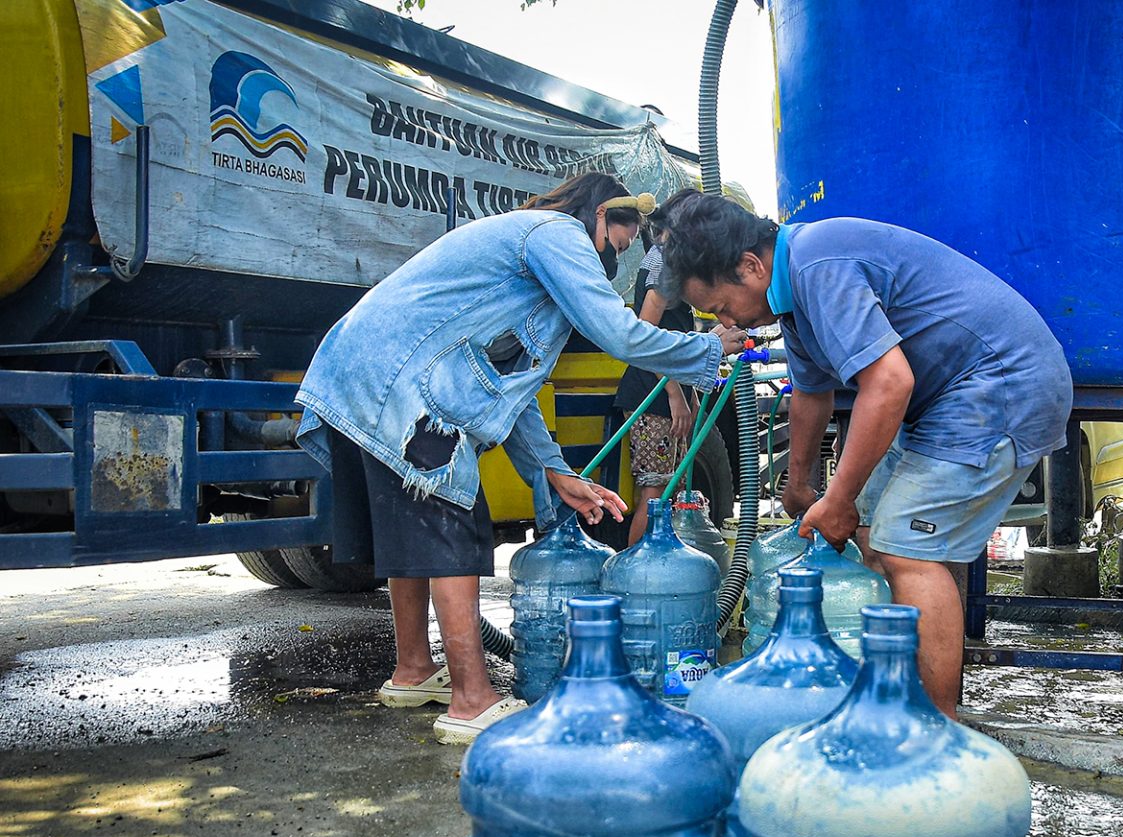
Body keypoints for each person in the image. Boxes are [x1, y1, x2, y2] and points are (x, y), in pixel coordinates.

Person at [295, 172, 743, 744]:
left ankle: (413, 671)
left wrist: (554, 472)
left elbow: (514, 387)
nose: (616, 257)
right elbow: (620, 334)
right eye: (618, 240)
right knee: (450, 528)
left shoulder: (524, 258)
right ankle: (471, 701)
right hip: (404, 384)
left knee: (409, 530)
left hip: (358, 373)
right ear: (602, 213)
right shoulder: (555, 233)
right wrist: (705, 348)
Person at [662, 197, 1072, 717]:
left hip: (999, 385)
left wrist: (839, 497)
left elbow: (889, 381)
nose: (725, 320)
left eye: (721, 306)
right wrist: (800, 482)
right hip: (945, 398)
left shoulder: (818, 263)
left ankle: (932, 731)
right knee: (870, 540)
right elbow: (812, 392)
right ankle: (884, 703)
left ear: (750, 266)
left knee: (906, 550)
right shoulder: (791, 294)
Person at [610, 190, 709, 545]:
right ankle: (634, 572)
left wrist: (689, 394)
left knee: (671, 491)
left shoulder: (672, 259)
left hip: (669, 391)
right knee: (655, 492)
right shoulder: (663, 262)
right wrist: (674, 394)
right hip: (650, 394)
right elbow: (645, 336)